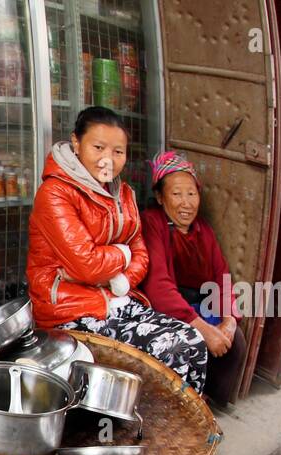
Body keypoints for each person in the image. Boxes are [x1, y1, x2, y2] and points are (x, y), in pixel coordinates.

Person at [27, 107, 208, 394]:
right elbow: (87, 264)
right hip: (68, 309)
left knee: (192, 339)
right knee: (173, 346)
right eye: (98, 147)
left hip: (117, 298)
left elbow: (141, 254)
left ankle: (182, 425)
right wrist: (122, 255)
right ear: (76, 143)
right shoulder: (55, 194)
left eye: (118, 152)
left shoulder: (122, 194)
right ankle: (152, 422)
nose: (107, 160)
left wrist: (120, 279)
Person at [140, 150, 246, 405]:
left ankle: (208, 404)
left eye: (192, 193)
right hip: (168, 309)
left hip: (200, 305)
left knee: (236, 343)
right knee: (191, 342)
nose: (186, 203)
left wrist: (229, 321)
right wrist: (203, 328)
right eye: (176, 194)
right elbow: (158, 287)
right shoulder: (152, 222)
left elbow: (222, 277)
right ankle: (185, 404)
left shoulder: (203, 231)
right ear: (160, 197)